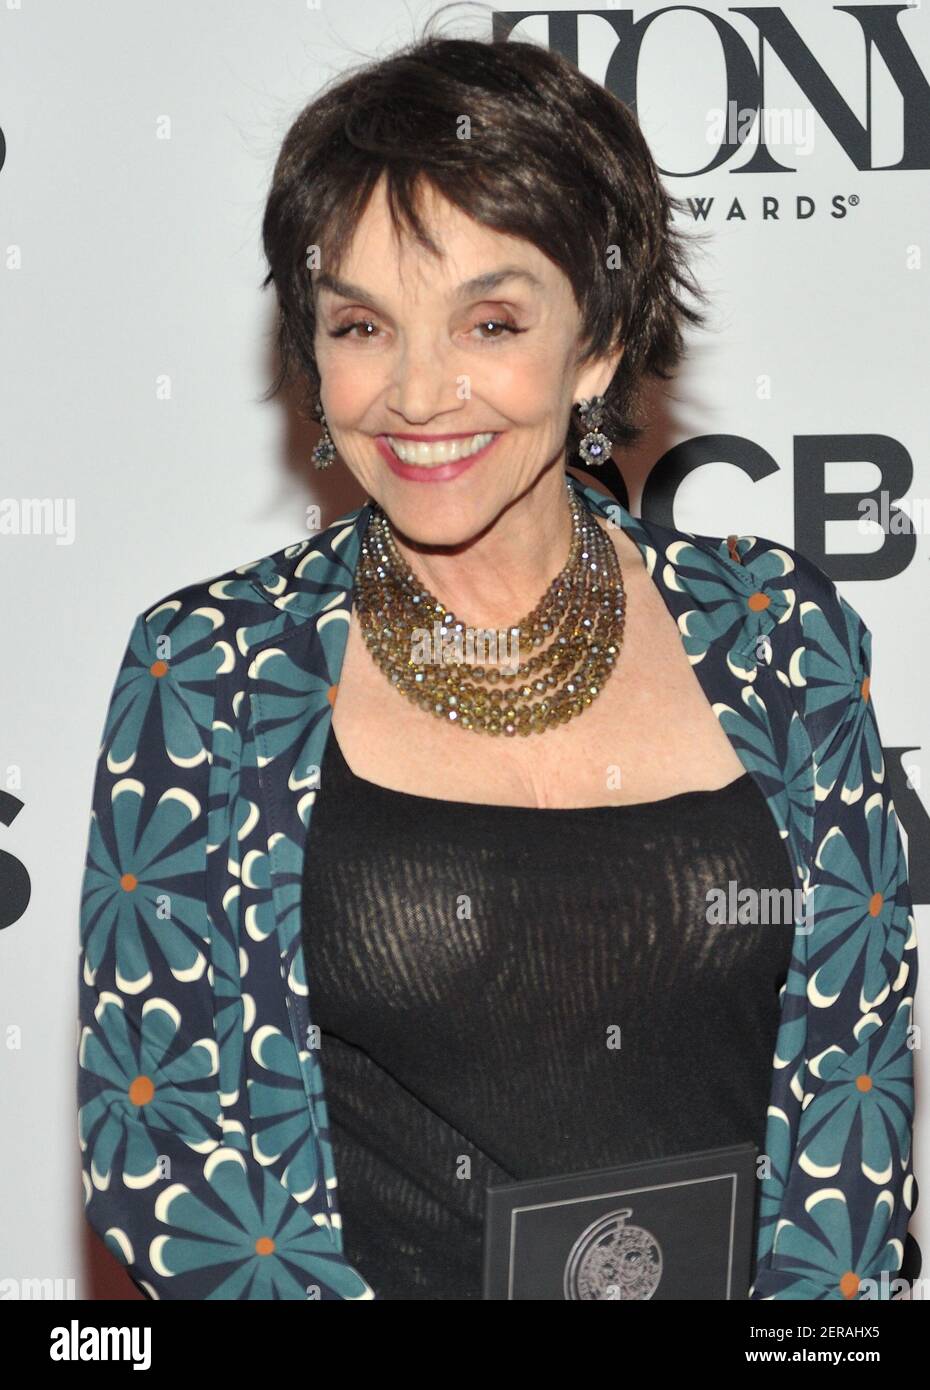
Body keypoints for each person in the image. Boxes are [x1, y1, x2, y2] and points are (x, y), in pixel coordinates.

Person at [77, 30, 918, 1301]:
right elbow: (166, 1155)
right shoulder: (210, 673)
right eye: (362, 324)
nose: (418, 393)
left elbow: (854, 1086)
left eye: (490, 321)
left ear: (598, 340)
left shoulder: (777, 636)